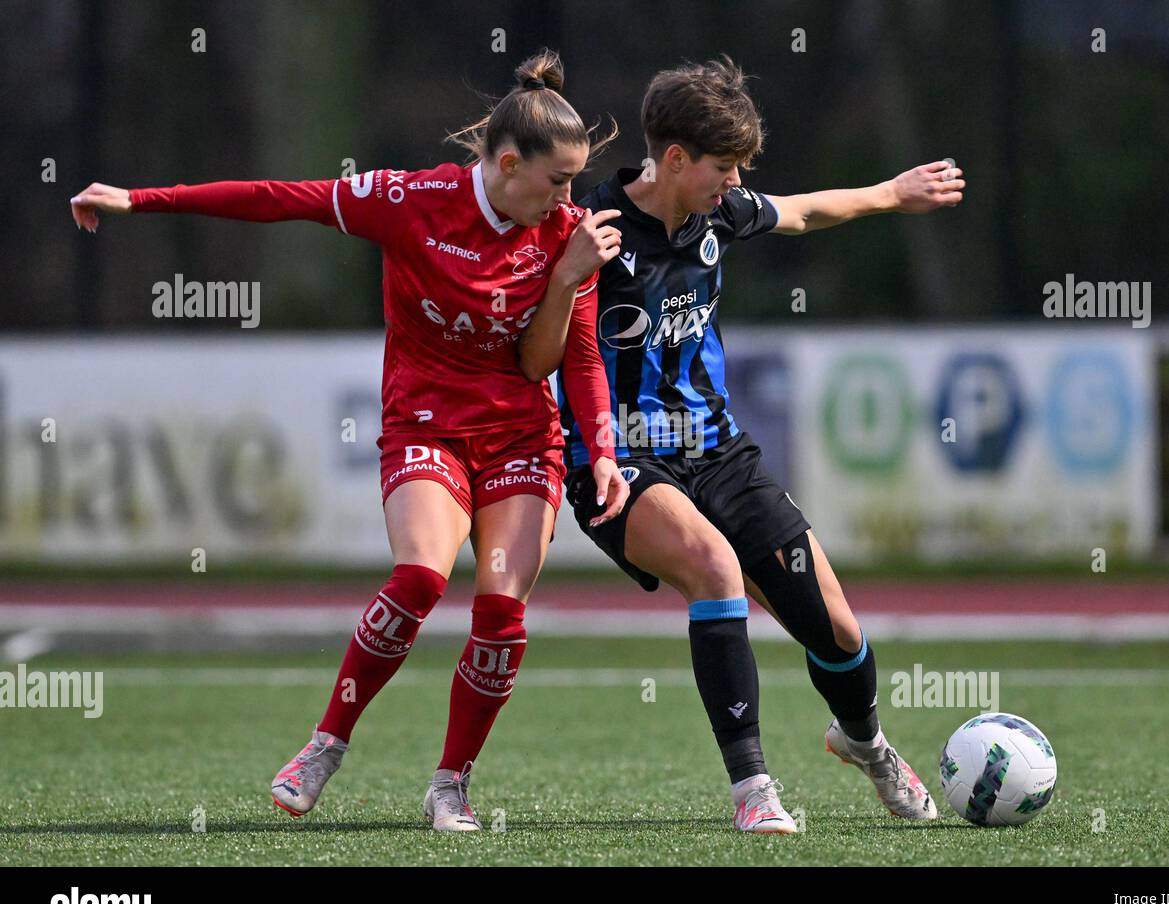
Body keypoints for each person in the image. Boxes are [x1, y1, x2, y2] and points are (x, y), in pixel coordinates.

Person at [71, 49, 630, 832]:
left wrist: (599, 446)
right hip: (427, 425)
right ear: (509, 163)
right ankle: (327, 742)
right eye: (559, 180)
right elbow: (276, 199)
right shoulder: (410, 200)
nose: (569, 197)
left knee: (501, 609)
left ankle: (450, 785)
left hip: (520, 440)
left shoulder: (567, 238)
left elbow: (559, 359)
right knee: (419, 579)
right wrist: (141, 198)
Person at [522, 55, 964, 832]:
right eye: (723, 168)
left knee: (838, 631)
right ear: (675, 159)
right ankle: (753, 788)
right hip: (618, 458)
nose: (735, 183)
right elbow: (537, 350)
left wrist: (893, 194)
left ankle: (865, 742)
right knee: (714, 567)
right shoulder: (588, 227)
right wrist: (563, 281)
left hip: (720, 451)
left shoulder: (717, 214)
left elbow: (803, 212)